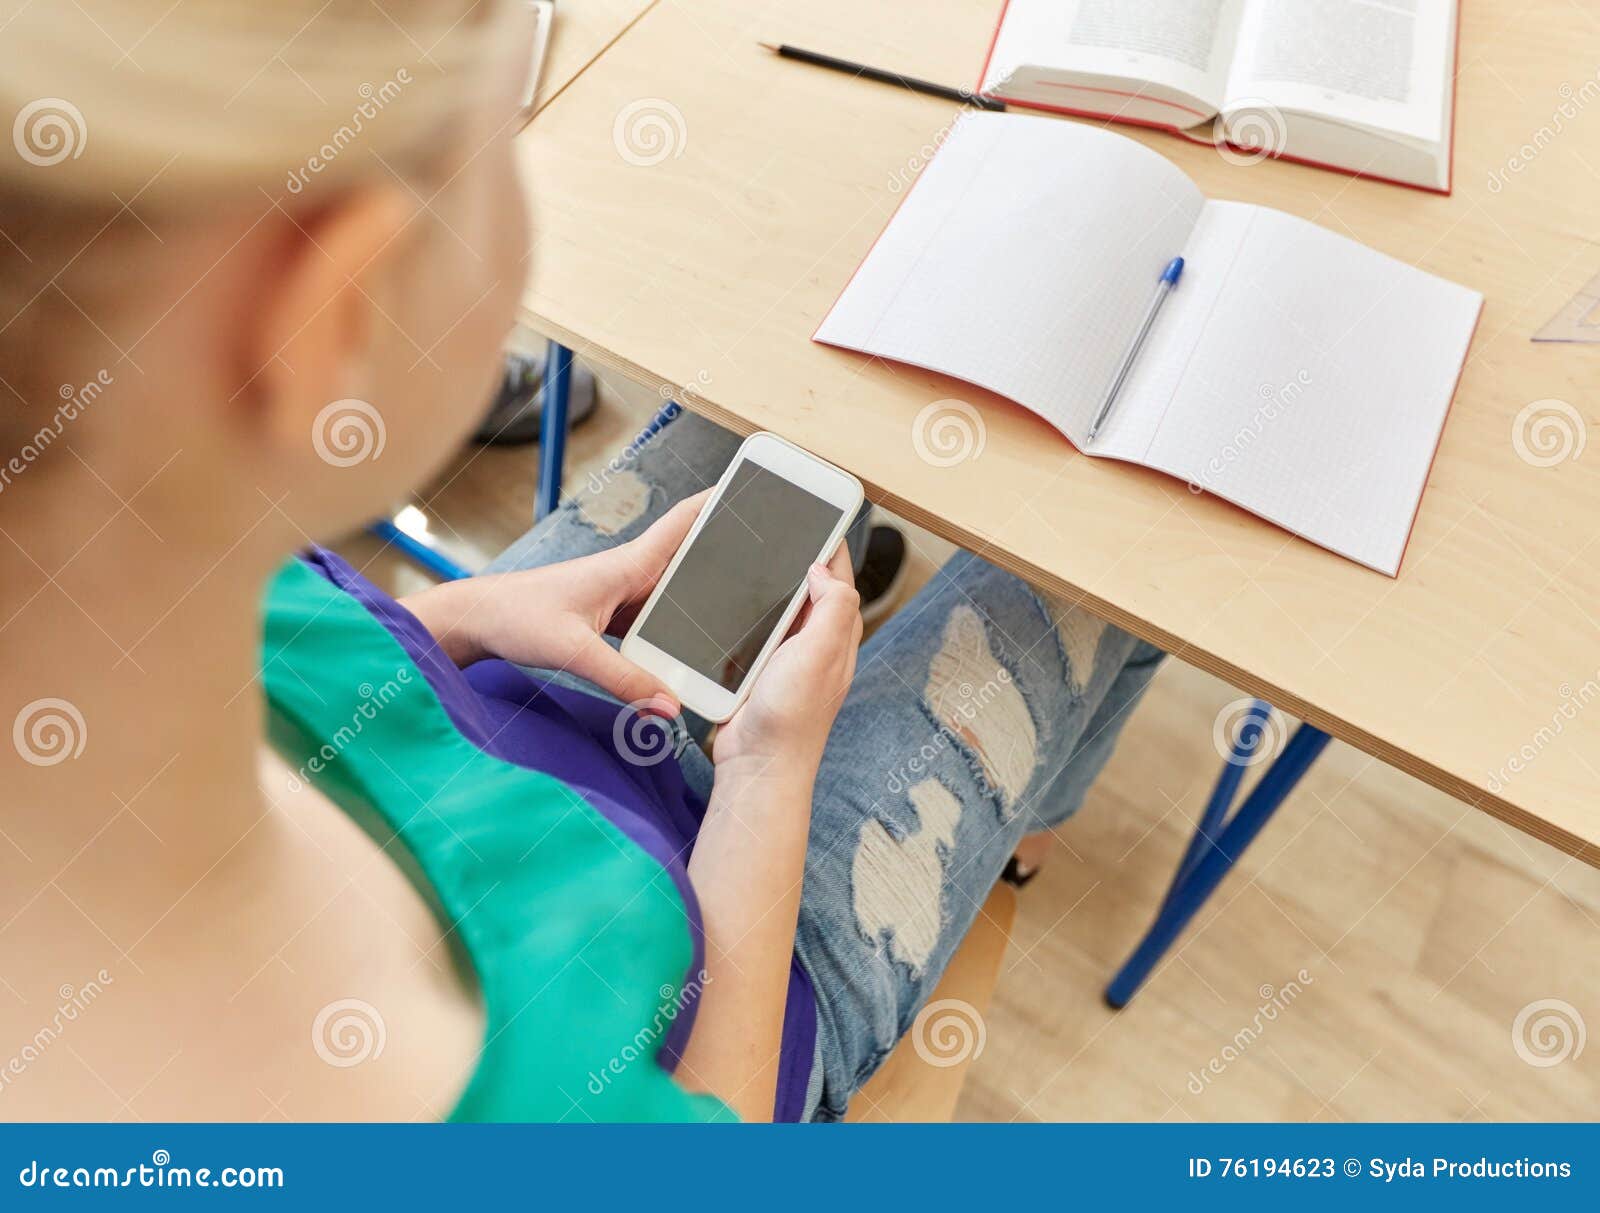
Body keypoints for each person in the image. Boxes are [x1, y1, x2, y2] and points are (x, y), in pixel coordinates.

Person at [0, 1, 1163, 1122]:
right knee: (1098, 554)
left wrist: (477, 612)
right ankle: (1023, 837)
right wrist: (766, 778)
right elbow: (718, 1118)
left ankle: (1015, 817)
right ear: (331, 313)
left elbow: (301, 644)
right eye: (506, 131)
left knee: (796, 409)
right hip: (754, 973)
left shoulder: (100, 548)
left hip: (513, 698)